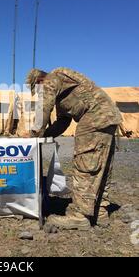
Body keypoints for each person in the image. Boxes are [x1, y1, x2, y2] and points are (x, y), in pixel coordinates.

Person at [26, 67, 122, 230]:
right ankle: (101, 212)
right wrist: (46, 135)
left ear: (40, 81)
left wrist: (34, 136)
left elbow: (43, 109)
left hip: (94, 118)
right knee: (101, 166)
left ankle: (80, 217)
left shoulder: (51, 79)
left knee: (85, 166)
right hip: (107, 116)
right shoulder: (63, 86)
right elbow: (64, 121)